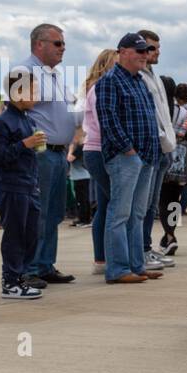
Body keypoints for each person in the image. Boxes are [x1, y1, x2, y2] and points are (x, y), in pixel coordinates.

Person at [94, 33, 162, 285]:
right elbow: (108, 120)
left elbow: (149, 118)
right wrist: (128, 150)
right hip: (126, 157)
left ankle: (137, 266)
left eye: (146, 51)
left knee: (137, 214)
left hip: (145, 156)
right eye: (139, 51)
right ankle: (118, 269)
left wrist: (149, 152)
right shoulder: (110, 81)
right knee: (120, 213)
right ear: (122, 52)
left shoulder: (139, 81)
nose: (145, 56)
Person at [16, 23, 80, 286]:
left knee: (53, 213)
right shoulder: (23, 71)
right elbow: (18, 108)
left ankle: (44, 264)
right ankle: (27, 268)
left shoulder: (55, 75)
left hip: (57, 152)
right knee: (36, 213)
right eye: (57, 43)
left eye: (63, 43)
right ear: (39, 44)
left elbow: (67, 112)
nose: (62, 48)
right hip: (40, 152)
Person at [0, 68, 46, 300]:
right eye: (33, 90)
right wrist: (25, 144)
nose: (37, 96)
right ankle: (10, 280)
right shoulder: (2, 122)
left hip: (29, 184)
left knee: (31, 232)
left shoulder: (27, 118)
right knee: (15, 233)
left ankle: (21, 275)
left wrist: (33, 145)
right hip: (12, 185)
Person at [138, 30, 177, 271]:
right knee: (143, 205)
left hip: (164, 146)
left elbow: (164, 114)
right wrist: (164, 140)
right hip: (153, 146)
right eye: (151, 48)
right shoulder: (140, 77)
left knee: (152, 205)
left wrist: (169, 143)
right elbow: (151, 116)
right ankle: (141, 250)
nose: (156, 52)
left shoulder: (154, 77)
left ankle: (146, 246)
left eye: (156, 48)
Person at [81, 49, 118, 276]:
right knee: (115, 203)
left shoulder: (99, 86)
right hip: (99, 150)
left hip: (98, 149)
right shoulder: (100, 88)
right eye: (115, 64)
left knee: (105, 205)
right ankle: (108, 258)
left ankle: (101, 258)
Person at [158, 82, 187, 256]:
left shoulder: (166, 107)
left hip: (165, 153)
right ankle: (171, 232)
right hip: (182, 159)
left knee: (163, 198)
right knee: (175, 199)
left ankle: (168, 236)